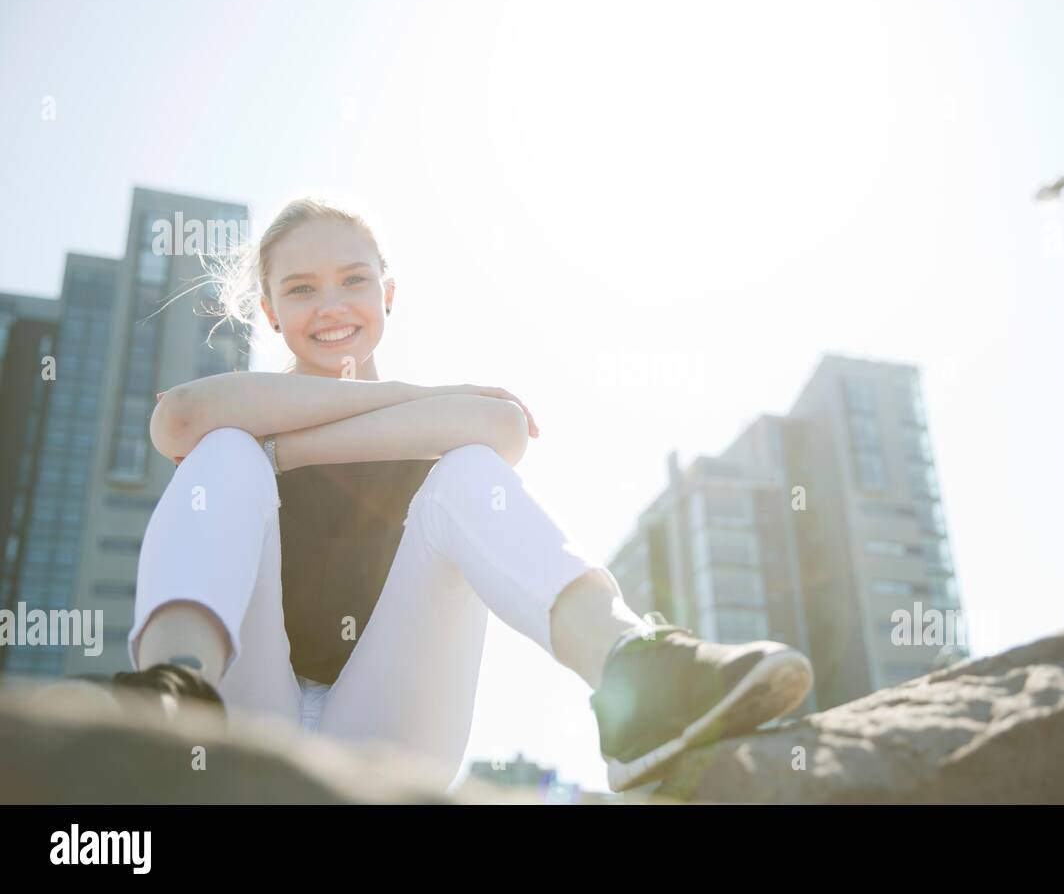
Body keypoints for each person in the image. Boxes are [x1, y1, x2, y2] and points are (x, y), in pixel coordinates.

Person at [72, 197, 813, 793]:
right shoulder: (248, 407)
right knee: (226, 448)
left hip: (388, 732)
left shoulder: (432, 420)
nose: (331, 304)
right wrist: (334, 419)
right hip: (238, 720)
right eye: (300, 289)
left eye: (353, 280)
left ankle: (635, 674)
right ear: (268, 311)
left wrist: (291, 451)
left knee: (466, 471)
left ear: (388, 293)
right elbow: (179, 418)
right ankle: (168, 699)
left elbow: (501, 427)